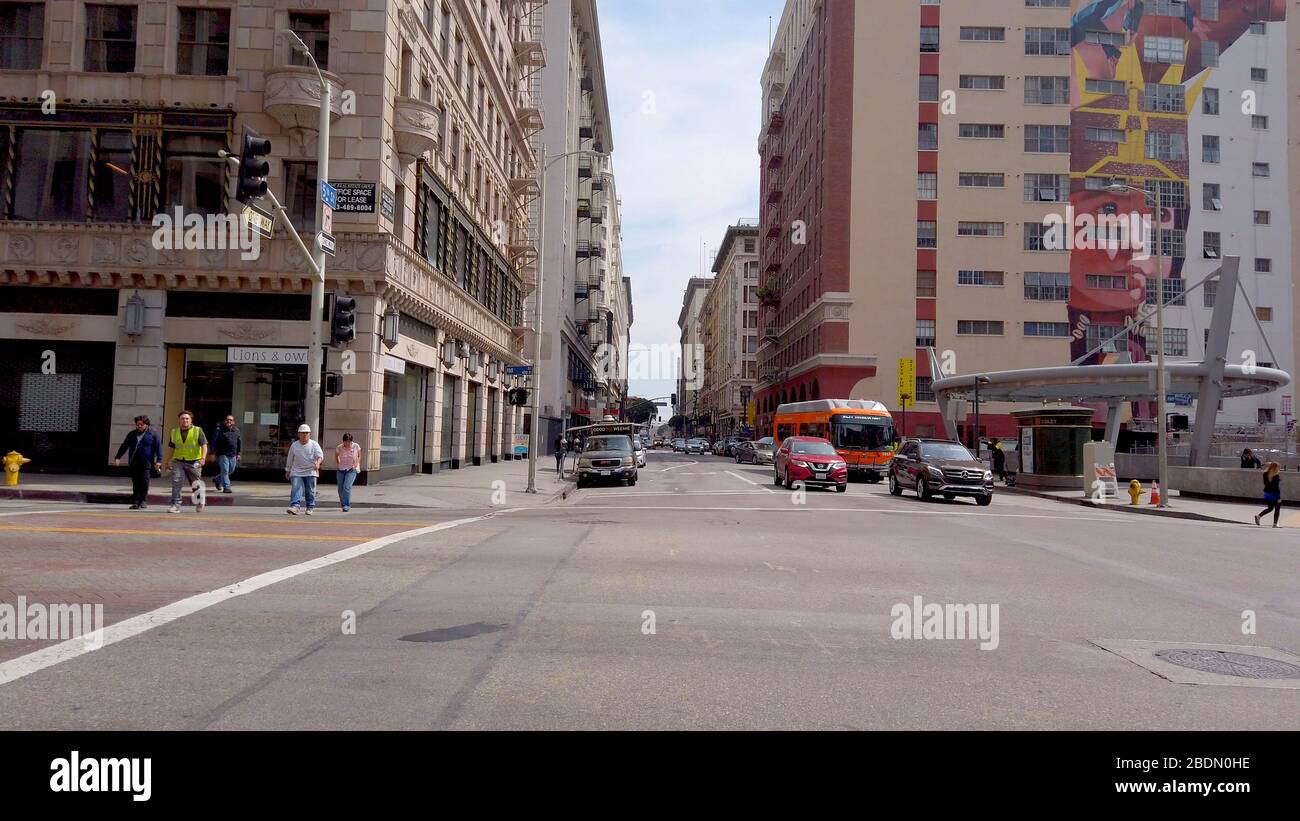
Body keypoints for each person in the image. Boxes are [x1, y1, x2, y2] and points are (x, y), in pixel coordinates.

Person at [114, 415, 163, 510]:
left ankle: (143, 500)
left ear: (147, 424)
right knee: (136, 482)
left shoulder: (153, 434)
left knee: (144, 481)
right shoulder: (132, 434)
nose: (139, 426)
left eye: (141, 424)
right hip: (134, 462)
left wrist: (159, 461)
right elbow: (124, 446)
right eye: (137, 424)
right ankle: (136, 502)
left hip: (147, 462)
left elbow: (159, 448)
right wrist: (118, 457)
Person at [163, 410, 207, 514]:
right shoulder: (174, 432)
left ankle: (199, 501)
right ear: (179, 420)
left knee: (196, 484)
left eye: (187, 418)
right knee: (176, 482)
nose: (185, 420)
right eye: (182, 419)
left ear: (191, 420)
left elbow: (204, 445)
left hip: (194, 461)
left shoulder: (198, 430)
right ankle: (175, 505)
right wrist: (167, 461)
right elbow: (171, 448)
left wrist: (203, 458)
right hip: (178, 461)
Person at [285, 424, 324, 516]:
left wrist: (318, 463)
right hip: (296, 471)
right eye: (302, 433)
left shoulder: (314, 444)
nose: (304, 435)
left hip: (311, 471)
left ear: (309, 434)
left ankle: (310, 506)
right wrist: (288, 470)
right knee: (296, 487)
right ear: (299, 434)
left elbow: (320, 456)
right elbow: (290, 458)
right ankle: (295, 506)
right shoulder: (294, 445)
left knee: (310, 490)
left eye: (306, 433)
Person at [212, 414, 242, 494]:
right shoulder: (219, 430)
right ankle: (227, 487)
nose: (229, 421)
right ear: (225, 421)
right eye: (227, 420)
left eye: (231, 420)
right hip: (222, 453)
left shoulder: (236, 430)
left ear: (233, 422)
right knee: (225, 470)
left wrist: (238, 453)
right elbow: (214, 442)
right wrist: (214, 453)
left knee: (231, 470)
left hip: (233, 454)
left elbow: (239, 442)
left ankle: (217, 479)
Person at [335, 433, 361, 513]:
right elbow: (336, 456)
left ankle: (346, 505)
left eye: (349, 442)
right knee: (340, 488)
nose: (348, 443)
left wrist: (357, 463)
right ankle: (343, 503)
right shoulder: (339, 447)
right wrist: (339, 463)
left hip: (351, 469)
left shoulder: (356, 446)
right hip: (341, 469)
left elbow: (359, 455)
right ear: (343, 441)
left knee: (347, 487)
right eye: (346, 442)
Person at [1254, 462, 1283, 528]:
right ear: (1276, 468)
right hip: (1274, 494)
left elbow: (1265, 483)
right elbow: (1276, 487)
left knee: (1270, 508)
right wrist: (1278, 497)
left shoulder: (1265, 474)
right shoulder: (1276, 475)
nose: (1279, 469)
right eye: (1278, 467)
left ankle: (1259, 516)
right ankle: (1275, 524)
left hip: (1267, 493)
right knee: (1277, 509)